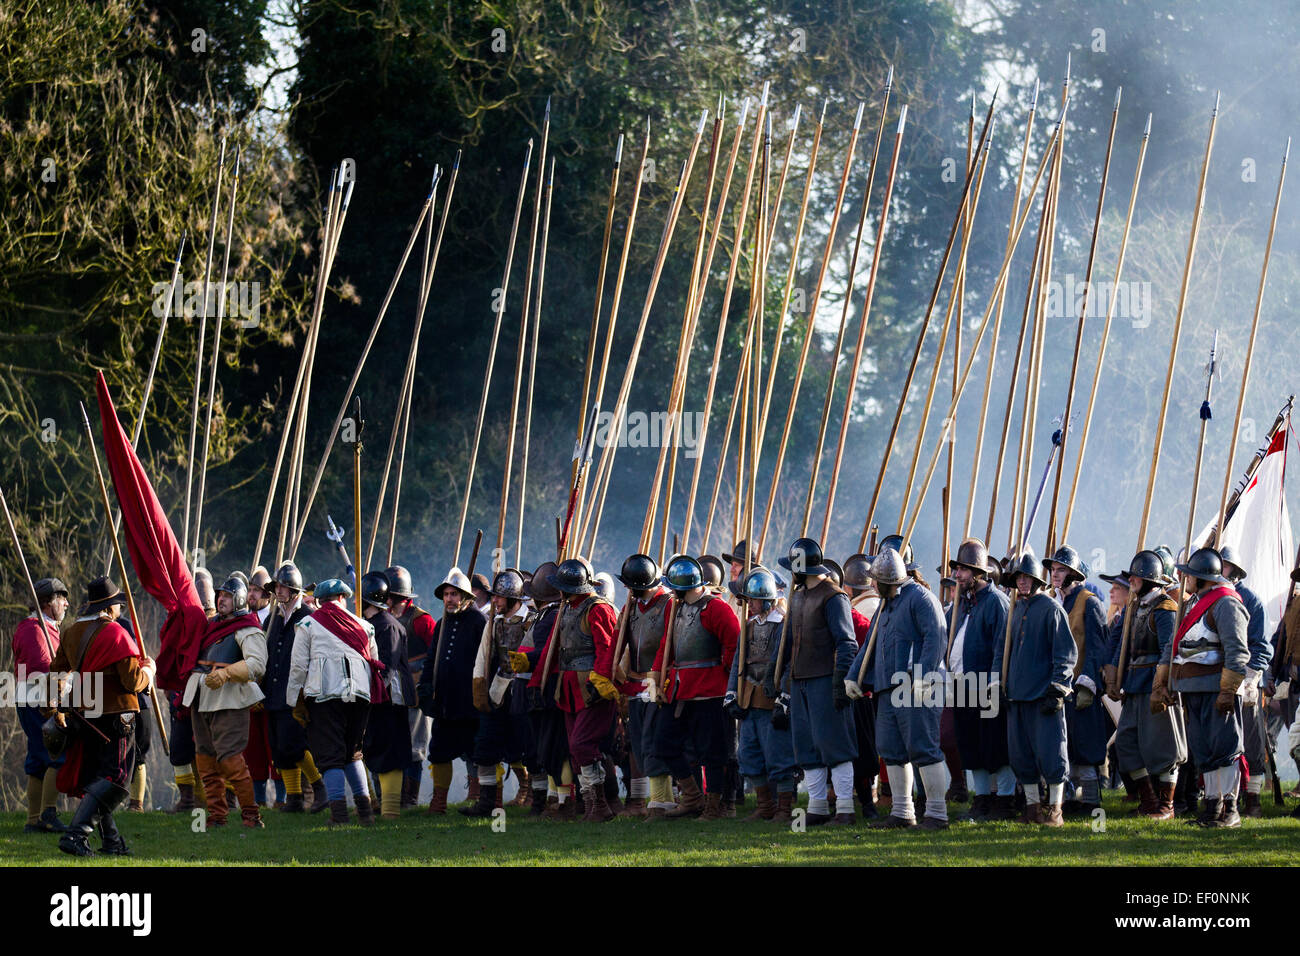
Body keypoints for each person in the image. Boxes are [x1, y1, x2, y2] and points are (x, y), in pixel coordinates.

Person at [48, 576, 155, 856]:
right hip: (118, 714)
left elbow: (56, 673)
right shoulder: (117, 633)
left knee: (100, 777)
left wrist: (55, 707)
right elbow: (132, 682)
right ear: (109, 608)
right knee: (117, 778)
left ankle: (112, 842)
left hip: (86, 713)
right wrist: (149, 673)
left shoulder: (70, 632)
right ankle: (76, 835)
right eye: (117, 605)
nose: (120, 610)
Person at [848, 546, 946, 829]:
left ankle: (937, 814)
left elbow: (936, 637)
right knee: (891, 749)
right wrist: (855, 676)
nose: (873, 586)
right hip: (887, 689)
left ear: (889, 582)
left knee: (924, 748)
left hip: (916, 688)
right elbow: (869, 646)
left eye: (877, 582)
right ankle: (903, 813)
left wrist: (924, 674)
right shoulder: (884, 605)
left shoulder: (922, 599)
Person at [769, 537, 859, 826]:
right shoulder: (797, 597)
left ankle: (845, 809)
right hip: (800, 681)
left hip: (824, 680)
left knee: (835, 745)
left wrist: (840, 682)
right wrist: (778, 673)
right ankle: (818, 808)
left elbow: (846, 643)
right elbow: (789, 643)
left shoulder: (834, 597)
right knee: (808, 748)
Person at [527, 558, 621, 821]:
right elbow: (553, 650)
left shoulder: (599, 609)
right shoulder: (567, 608)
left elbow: (607, 648)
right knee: (574, 748)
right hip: (569, 686)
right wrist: (535, 674)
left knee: (582, 744)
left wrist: (601, 679)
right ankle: (591, 804)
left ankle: (600, 804)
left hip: (592, 686)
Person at [1162, 547, 1250, 828]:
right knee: (1203, 750)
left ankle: (1230, 809)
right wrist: (1162, 681)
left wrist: (1227, 691)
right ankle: (1212, 807)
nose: (1185, 579)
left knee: (1225, 749)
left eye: (1190, 575)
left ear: (1202, 577)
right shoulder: (1192, 604)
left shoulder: (1226, 604)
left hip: (1216, 688)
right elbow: (1174, 644)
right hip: (1192, 688)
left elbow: (1237, 651)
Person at [287, 578, 383, 826]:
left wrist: (293, 701)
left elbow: (298, 667)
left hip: (324, 696)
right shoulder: (365, 626)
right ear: (344, 598)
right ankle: (365, 814)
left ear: (319, 600)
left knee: (330, 756)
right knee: (353, 754)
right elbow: (374, 664)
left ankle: (339, 816)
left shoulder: (307, 624)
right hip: (361, 697)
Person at [991, 550, 1076, 826]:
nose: (1022, 582)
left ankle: (1055, 809)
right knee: (1021, 756)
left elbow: (1065, 653)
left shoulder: (1052, 609)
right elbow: (1002, 651)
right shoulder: (1015, 610)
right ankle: (1032, 808)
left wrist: (1058, 688)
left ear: (1038, 580)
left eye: (1027, 577)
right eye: (1018, 578)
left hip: (1043, 696)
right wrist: (998, 682)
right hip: (1016, 696)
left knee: (1052, 754)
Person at [1103, 550, 1184, 819]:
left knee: (1162, 745)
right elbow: (1121, 644)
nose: (1132, 580)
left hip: (1155, 684)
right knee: (1126, 743)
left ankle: (1166, 804)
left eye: (1137, 576)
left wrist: (1161, 685)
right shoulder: (1133, 607)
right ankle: (1148, 799)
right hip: (1134, 684)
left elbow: (1167, 650)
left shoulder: (1165, 608)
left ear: (1150, 578)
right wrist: (1114, 675)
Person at [184, 574, 268, 828]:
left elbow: (257, 664)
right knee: (205, 762)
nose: (221, 599)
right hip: (201, 697)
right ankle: (217, 816)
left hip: (229, 700)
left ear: (240, 599)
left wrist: (226, 674)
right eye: (220, 595)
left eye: (228, 596)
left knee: (230, 761)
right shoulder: (210, 626)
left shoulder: (248, 628)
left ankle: (251, 816)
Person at [946, 539, 1015, 822]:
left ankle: (1006, 801)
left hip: (988, 685)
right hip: (963, 685)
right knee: (971, 746)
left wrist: (996, 682)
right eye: (957, 570)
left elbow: (1003, 648)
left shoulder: (997, 602)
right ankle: (983, 798)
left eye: (962, 570)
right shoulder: (962, 603)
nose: (957, 575)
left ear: (977, 572)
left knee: (996, 746)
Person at [725, 566, 796, 821]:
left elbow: (789, 665)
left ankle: (786, 809)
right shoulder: (749, 626)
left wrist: (784, 697)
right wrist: (731, 693)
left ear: (766, 599)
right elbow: (738, 663)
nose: (750, 605)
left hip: (772, 699)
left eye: (753, 600)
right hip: (749, 699)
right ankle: (765, 806)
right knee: (748, 754)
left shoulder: (784, 626)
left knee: (779, 755)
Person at [1045, 545, 1110, 817]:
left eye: (1061, 569)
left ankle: (1092, 802)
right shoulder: (1054, 602)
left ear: (1074, 573)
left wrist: (1088, 683)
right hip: (1061, 688)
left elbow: (1098, 648)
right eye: (1053, 570)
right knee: (1066, 745)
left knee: (1086, 746)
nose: (1055, 574)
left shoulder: (1089, 601)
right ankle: (1072, 798)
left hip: (1083, 687)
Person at [463, 568, 532, 817]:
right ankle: (486, 803)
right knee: (485, 746)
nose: (495, 601)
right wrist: (480, 689)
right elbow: (484, 656)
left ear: (514, 599)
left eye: (500, 598)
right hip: (499, 691)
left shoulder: (530, 621)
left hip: (524, 692)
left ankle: (536, 799)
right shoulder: (494, 621)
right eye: (494, 597)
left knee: (527, 748)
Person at [416, 568, 485, 815]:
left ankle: (486, 800)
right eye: (446, 594)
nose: (449, 599)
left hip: (471, 704)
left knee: (482, 753)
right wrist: (425, 686)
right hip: (446, 704)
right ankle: (439, 802)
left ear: (465, 596)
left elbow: (487, 661)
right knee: (439, 753)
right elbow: (432, 658)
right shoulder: (442, 623)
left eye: (454, 594)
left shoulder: (479, 622)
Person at [260, 561, 327, 813]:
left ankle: (320, 788)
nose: (278, 591)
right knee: (279, 748)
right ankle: (295, 798)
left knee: (295, 745)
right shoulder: (273, 620)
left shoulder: (307, 619)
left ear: (294, 591)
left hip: (296, 693)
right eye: (277, 586)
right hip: (274, 692)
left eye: (283, 587)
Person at [613, 553, 671, 817]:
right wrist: (610, 670)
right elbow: (617, 642)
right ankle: (641, 801)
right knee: (636, 744)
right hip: (635, 683)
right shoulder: (629, 608)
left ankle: (662, 801)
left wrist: (659, 678)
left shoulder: (669, 604)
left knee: (654, 741)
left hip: (656, 683)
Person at [516, 562, 574, 818]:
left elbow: (551, 651)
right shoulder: (546, 614)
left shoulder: (554, 615)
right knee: (547, 748)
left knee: (557, 747)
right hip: (539, 686)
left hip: (551, 686)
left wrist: (527, 660)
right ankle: (556, 800)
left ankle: (565, 801)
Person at [1219, 545, 1273, 818]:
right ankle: (1225, 798)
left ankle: (1253, 798)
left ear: (1235, 570)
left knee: (1251, 740)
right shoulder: (1211, 598)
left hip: (1247, 678)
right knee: (1225, 739)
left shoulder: (1249, 600)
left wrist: (1251, 677)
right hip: (1220, 679)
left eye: (1224, 565)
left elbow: (1261, 646)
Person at [13, 576, 68, 833]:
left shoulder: (41, 628)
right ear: (48, 602)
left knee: (38, 759)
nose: (66, 604)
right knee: (55, 754)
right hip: (39, 701)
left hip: (36, 700)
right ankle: (46, 815)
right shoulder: (34, 630)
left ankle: (33, 821)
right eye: (61, 598)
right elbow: (42, 674)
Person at [359, 571, 414, 819]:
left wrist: (372, 692)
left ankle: (391, 810)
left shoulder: (388, 626)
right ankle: (380, 804)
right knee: (375, 748)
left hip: (390, 698)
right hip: (375, 698)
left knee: (390, 752)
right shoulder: (367, 625)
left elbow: (387, 668)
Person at [384, 565, 436, 808]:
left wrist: (410, 668)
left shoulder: (422, 621)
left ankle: (410, 798)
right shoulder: (383, 616)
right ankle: (394, 796)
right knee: (394, 741)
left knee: (415, 746)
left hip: (415, 689)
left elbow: (435, 654)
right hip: (391, 690)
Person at [841, 553, 880, 819]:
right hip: (837, 693)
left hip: (859, 694)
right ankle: (842, 803)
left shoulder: (860, 619)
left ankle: (868, 802)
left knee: (862, 754)